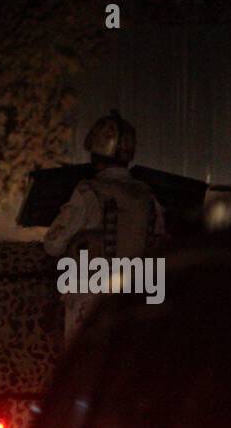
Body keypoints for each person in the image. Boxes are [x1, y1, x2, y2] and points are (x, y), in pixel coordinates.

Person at [44, 110, 166, 341]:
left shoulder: (87, 192)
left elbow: (52, 245)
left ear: (95, 153)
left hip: (91, 303)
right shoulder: (149, 197)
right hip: (141, 299)